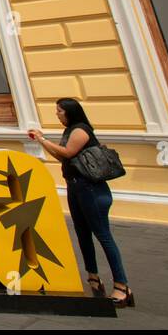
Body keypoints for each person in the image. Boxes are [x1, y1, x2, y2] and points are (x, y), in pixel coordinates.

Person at [29, 98, 132, 308]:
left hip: (91, 189)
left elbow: (68, 152)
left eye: (59, 111)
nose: (57, 114)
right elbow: (62, 157)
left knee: (103, 235)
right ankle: (93, 277)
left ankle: (122, 286)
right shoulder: (69, 131)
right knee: (82, 233)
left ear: (70, 112)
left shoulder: (81, 130)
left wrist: (41, 138)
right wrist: (43, 142)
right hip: (75, 187)